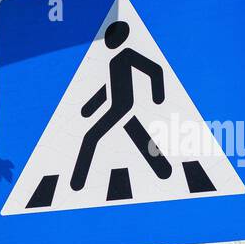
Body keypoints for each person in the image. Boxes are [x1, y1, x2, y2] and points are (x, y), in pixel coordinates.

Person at [70, 20, 173, 191]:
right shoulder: (114, 61)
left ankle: (76, 184)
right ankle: (164, 170)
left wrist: (158, 97)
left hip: (123, 106)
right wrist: (88, 108)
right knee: (138, 134)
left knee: (90, 137)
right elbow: (108, 89)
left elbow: (154, 70)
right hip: (119, 106)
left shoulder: (127, 54)